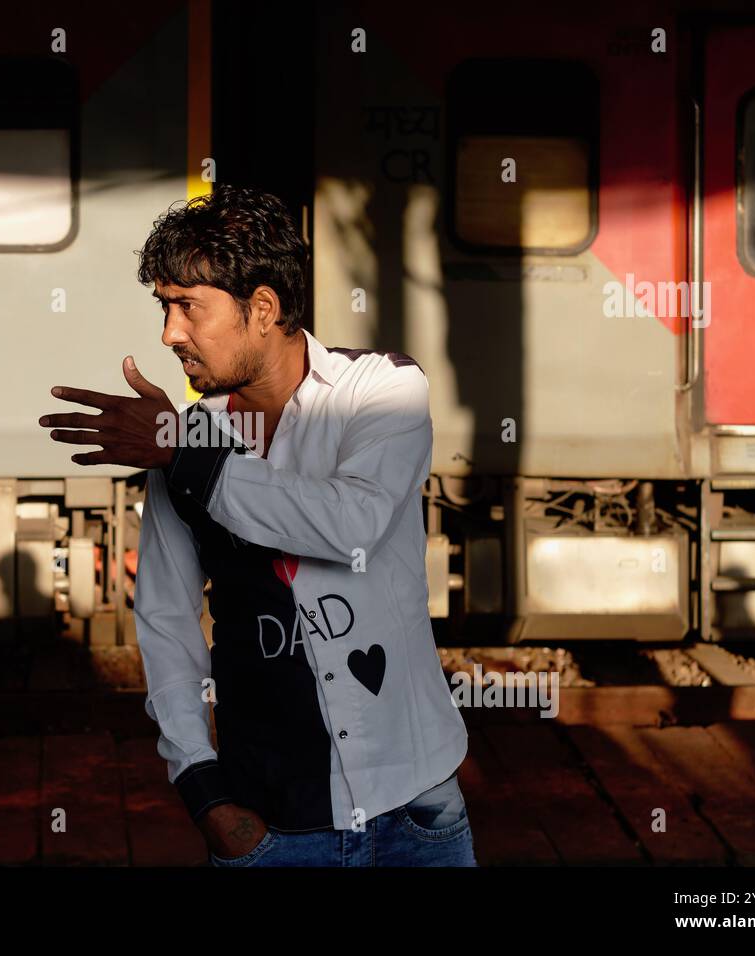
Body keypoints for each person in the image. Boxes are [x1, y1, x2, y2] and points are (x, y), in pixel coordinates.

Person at [39, 185, 475, 867]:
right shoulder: (190, 437)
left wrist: (184, 453)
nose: (169, 332)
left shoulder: (382, 389)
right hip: (271, 824)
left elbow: (351, 523)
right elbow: (164, 620)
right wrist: (203, 792)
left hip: (416, 812)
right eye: (164, 306)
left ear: (263, 308)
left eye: (188, 306)